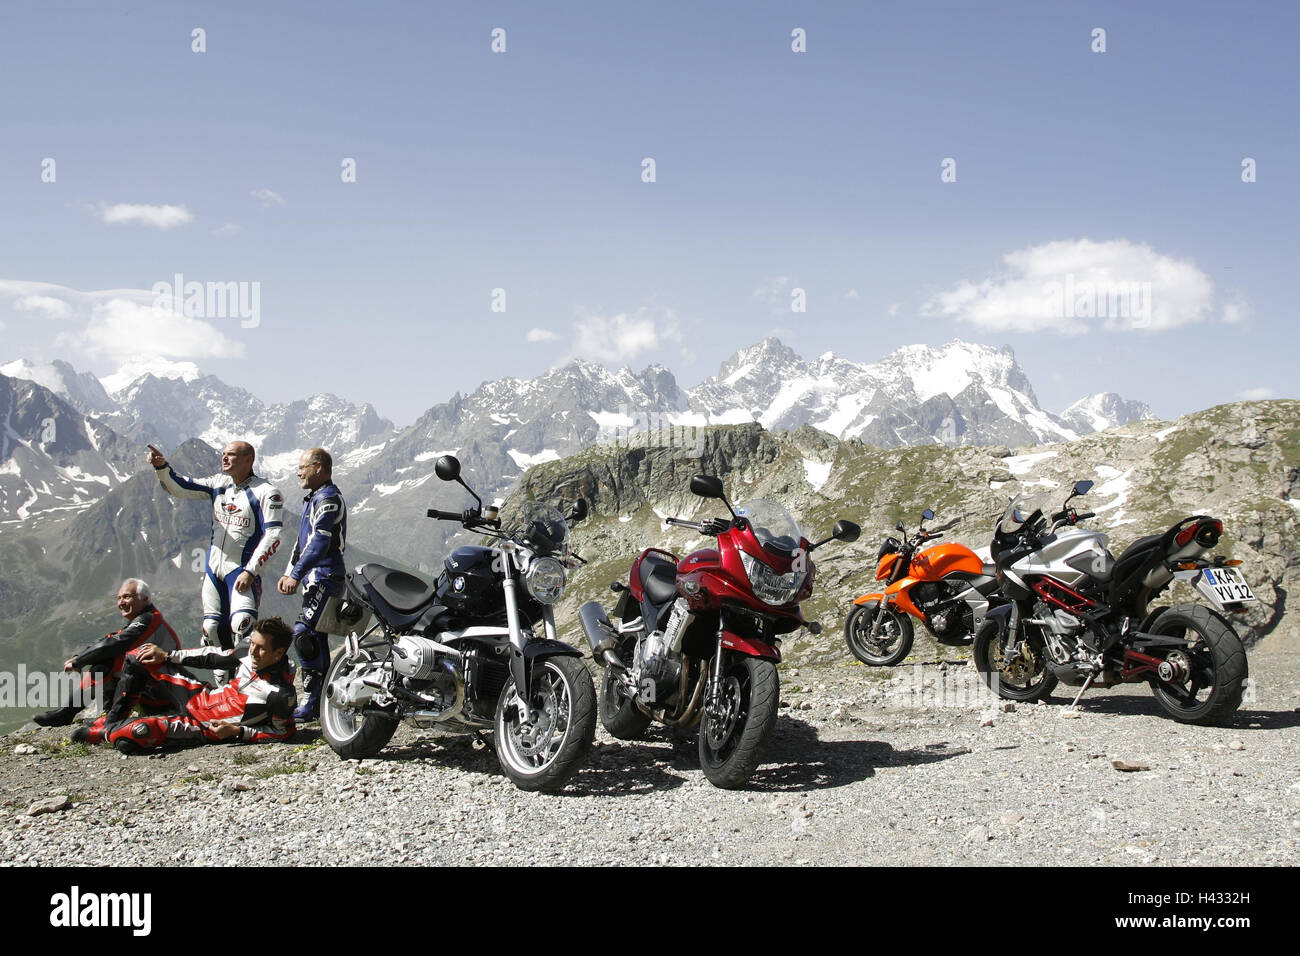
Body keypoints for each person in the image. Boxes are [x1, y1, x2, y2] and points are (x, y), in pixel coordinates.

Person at [147, 440, 284, 677]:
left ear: (248, 459)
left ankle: (249, 684)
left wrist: (250, 570)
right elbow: (180, 486)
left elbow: (274, 536)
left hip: (241, 570)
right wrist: (162, 467)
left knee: (242, 625)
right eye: (223, 454)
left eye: (231, 455)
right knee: (211, 629)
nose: (224, 458)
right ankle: (223, 692)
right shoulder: (218, 484)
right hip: (213, 569)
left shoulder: (266, 492)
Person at [74, 617, 297, 753]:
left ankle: (107, 730)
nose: (253, 652)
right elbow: (211, 656)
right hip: (200, 697)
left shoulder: (280, 694)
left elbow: (280, 733)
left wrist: (237, 732)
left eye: (261, 649)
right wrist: (167, 656)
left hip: (202, 726)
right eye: (253, 644)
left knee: (137, 732)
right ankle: (113, 721)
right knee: (139, 657)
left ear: (278, 653)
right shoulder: (248, 650)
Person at [33, 579, 180, 727]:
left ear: (145, 599)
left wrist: (79, 662)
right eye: (118, 598)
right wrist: (79, 657)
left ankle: (72, 714)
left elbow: (116, 643)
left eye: (127, 597)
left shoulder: (149, 619)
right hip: (156, 691)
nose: (121, 603)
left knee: (109, 659)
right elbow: (110, 639)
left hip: (165, 696)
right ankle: (99, 713)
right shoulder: (144, 619)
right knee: (110, 659)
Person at [277, 447, 347, 721]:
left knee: (303, 634)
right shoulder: (313, 498)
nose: (298, 472)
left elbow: (320, 541)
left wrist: (296, 574)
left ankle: (312, 701)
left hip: (326, 575)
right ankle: (322, 703)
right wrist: (290, 572)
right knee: (316, 637)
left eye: (303, 467)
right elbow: (301, 541)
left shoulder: (329, 497)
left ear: (319, 468)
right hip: (314, 577)